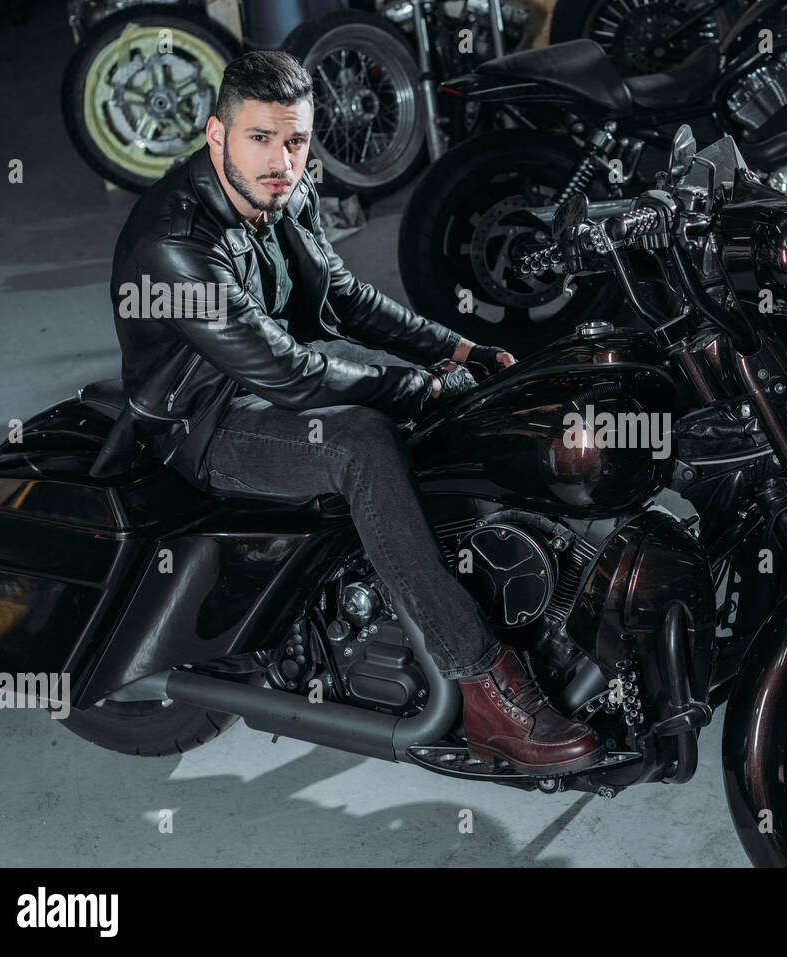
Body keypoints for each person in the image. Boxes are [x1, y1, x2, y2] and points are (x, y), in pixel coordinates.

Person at [98, 49, 602, 776]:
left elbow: (344, 300)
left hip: (276, 383)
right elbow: (288, 372)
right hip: (207, 420)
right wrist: (418, 386)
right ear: (216, 136)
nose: (281, 159)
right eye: (260, 138)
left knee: (460, 416)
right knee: (360, 440)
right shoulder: (172, 245)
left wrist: (459, 349)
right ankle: (484, 683)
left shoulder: (282, 190)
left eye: (296, 140)